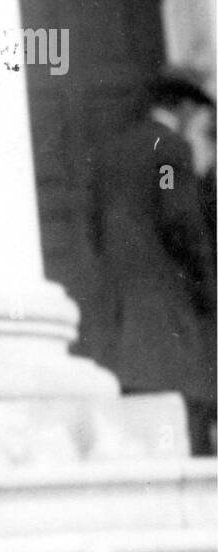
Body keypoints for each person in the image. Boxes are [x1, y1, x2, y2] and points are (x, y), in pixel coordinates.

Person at [93, 70, 216, 456]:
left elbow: (95, 227)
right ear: (183, 108)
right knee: (186, 408)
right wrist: (206, 283)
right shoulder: (169, 150)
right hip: (168, 304)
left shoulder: (111, 152)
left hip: (121, 309)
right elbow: (176, 217)